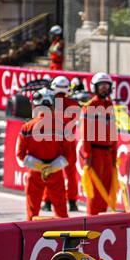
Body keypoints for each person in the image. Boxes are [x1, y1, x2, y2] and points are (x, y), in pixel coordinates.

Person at [16, 89, 71, 220]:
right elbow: (68, 153)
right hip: (55, 170)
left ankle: (30, 238)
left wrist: (40, 167)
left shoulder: (27, 127)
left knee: (32, 211)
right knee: (61, 212)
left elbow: (20, 154)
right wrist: (51, 167)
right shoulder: (62, 127)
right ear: (52, 105)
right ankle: (67, 237)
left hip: (35, 171)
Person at [79, 72, 120, 215]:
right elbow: (85, 135)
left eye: (106, 85)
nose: (104, 88)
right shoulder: (89, 107)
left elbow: (114, 133)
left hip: (108, 154)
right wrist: (87, 156)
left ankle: (101, 220)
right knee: (95, 192)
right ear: (94, 87)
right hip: (95, 154)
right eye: (101, 85)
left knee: (107, 189)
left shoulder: (110, 106)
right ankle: (92, 220)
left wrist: (114, 155)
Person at [50, 76, 80, 211]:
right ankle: (72, 202)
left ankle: (47, 201)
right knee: (71, 173)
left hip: (54, 141)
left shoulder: (49, 103)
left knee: (49, 170)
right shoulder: (74, 103)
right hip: (68, 141)